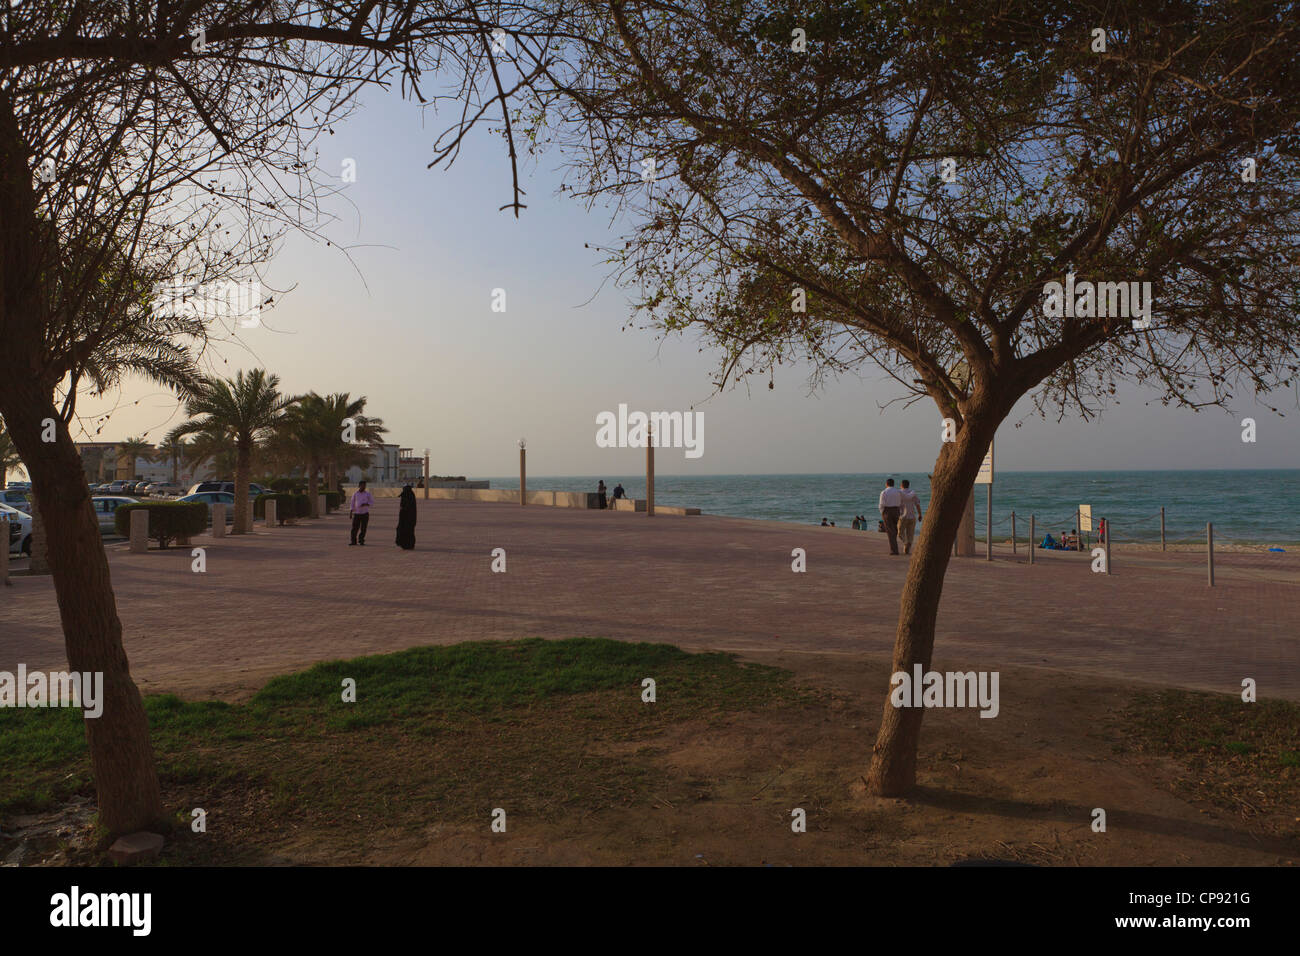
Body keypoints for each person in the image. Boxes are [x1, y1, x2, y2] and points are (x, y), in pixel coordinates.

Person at [898, 479, 923, 556]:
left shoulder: (899, 493)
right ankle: (907, 548)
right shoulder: (913, 493)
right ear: (908, 485)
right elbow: (917, 505)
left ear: (901, 485)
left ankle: (905, 543)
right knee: (910, 534)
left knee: (900, 533)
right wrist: (920, 514)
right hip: (912, 516)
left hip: (903, 516)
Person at [878, 478, 902, 555]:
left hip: (887, 511)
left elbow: (881, 504)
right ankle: (895, 547)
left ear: (886, 484)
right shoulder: (898, 492)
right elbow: (901, 502)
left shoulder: (884, 492)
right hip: (896, 510)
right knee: (895, 530)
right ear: (893, 484)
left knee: (890, 530)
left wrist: (882, 513)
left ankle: (894, 550)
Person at [349, 480, 373, 546]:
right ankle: (353, 541)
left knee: (363, 528)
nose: (364, 487)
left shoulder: (368, 494)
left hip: (365, 514)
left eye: (365, 485)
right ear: (359, 486)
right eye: (362, 485)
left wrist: (366, 504)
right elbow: (352, 503)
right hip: (357, 514)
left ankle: (361, 540)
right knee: (354, 528)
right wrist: (351, 512)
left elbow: (371, 502)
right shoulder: (355, 494)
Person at [395, 483, 416, 550]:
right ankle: (407, 544)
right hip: (409, 518)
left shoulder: (408, 495)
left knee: (406, 530)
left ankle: (406, 544)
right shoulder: (410, 494)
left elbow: (406, 506)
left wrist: (403, 509)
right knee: (407, 530)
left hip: (407, 518)